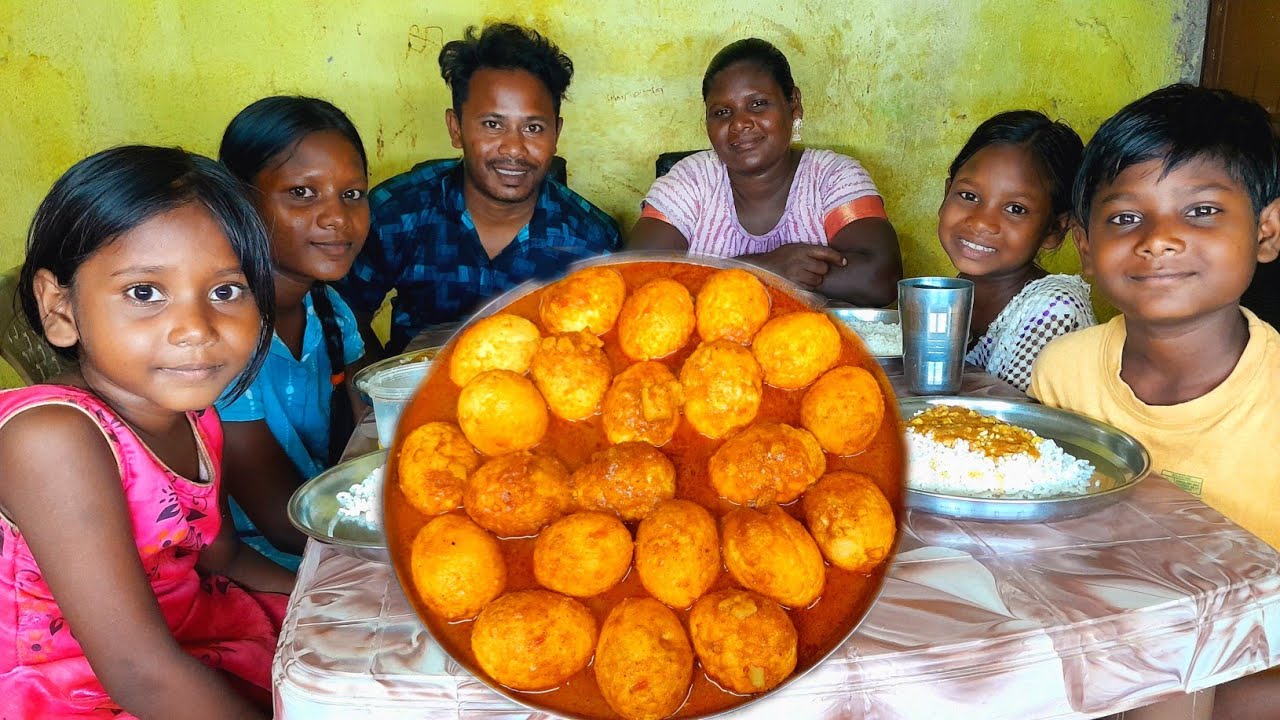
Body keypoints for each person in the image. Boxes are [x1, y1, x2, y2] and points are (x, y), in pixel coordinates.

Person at [0, 146, 294, 718]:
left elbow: (221, 556)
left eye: (226, 290)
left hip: (188, 639)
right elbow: (140, 674)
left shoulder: (196, 417)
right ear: (59, 308)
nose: (195, 329)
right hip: (80, 688)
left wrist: (329, 608)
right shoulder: (51, 439)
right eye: (144, 293)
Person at [1030, 84, 1280, 549]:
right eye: (1125, 218)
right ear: (1086, 247)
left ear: (1266, 233)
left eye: (1202, 211)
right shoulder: (1063, 374)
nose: (1159, 239)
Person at [338, 22, 621, 355]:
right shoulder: (398, 213)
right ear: (456, 128)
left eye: (533, 127)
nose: (514, 148)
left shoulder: (591, 241)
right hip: (415, 391)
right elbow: (343, 313)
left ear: (556, 134)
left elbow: (605, 350)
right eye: (492, 124)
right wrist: (372, 391)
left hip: (532, 399)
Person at [628, 38, 902, 306]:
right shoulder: (690, 181)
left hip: (810, 349)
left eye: (758, 104)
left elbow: (880, 279)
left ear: (793, 103)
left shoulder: (832, 177)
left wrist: (705, 278)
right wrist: (766, 269)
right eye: (722, 112)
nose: (740, 124)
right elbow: (634, 278)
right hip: (710, 351)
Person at [217, 97, 371, 568]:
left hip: (333, 527)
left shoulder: (327, 308)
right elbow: (285, 524)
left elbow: (374, 428)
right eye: (302, 193)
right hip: (262, 562)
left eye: (352, 194)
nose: (336, 218)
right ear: (241, 202)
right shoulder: (221, 337)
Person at [937, 110, 1094, 392]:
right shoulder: (955, 293)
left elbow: (1003, 426)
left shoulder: (1053, 311)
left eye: (1015, 209)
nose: (982, 222)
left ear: (1054, 230)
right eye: (969, 196)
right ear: (946, 193)